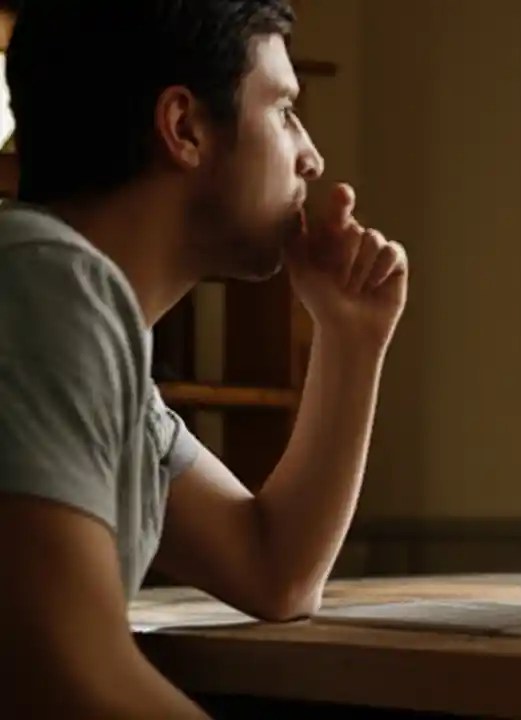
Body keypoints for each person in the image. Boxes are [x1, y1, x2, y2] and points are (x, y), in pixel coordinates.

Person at [0, 1, 407, 716]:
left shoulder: (68, 309)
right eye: (284, 111)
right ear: (184, 127)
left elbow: (274, 570)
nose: (311, 157)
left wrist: (350, 337)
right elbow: (63, 675)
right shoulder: (43, 285)